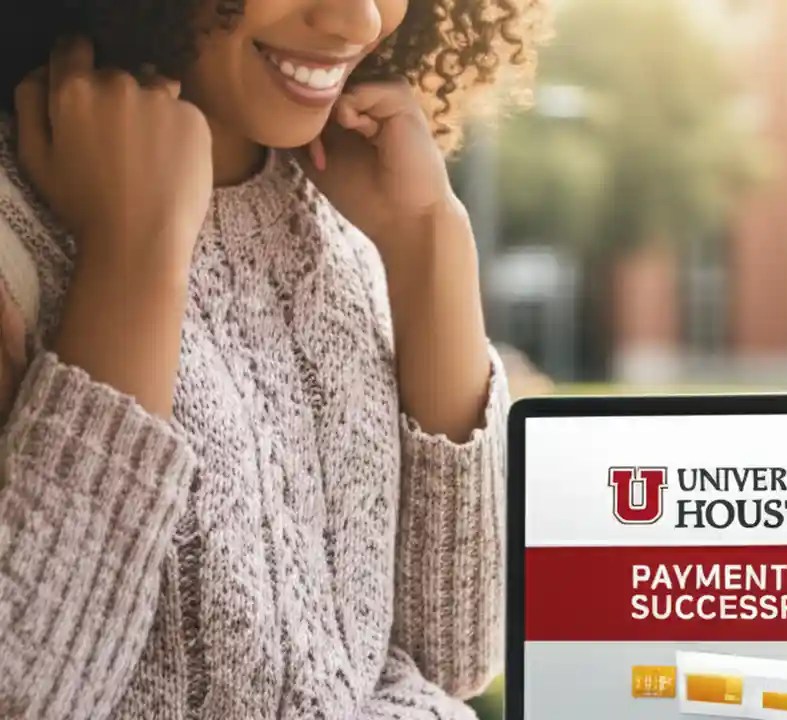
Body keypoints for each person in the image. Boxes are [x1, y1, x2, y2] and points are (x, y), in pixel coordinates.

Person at [0, 0, 543, 717]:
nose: (360, 19)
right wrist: (133, 255)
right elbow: (27, 691)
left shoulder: (350, 218)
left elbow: (461, 653)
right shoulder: (18, 241)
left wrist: (430, 242)